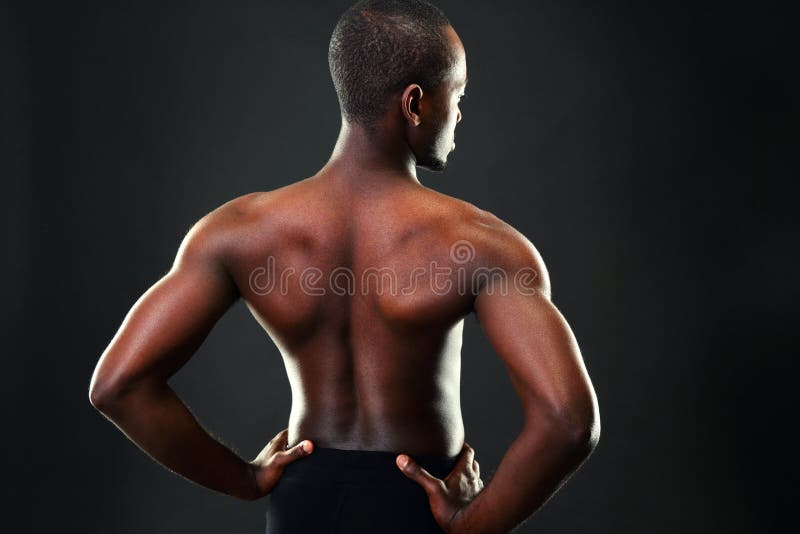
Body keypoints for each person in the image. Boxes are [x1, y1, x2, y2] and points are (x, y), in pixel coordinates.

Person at [88, 0, 600, 532]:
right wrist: (473, 523)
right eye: (459, 95)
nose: (461, 113)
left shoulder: (235, 232)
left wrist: (244, 480)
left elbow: (119, 386)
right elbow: (568, 421)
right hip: (414, 508)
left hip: (301, 507)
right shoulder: (484, 245)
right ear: (415, 103)